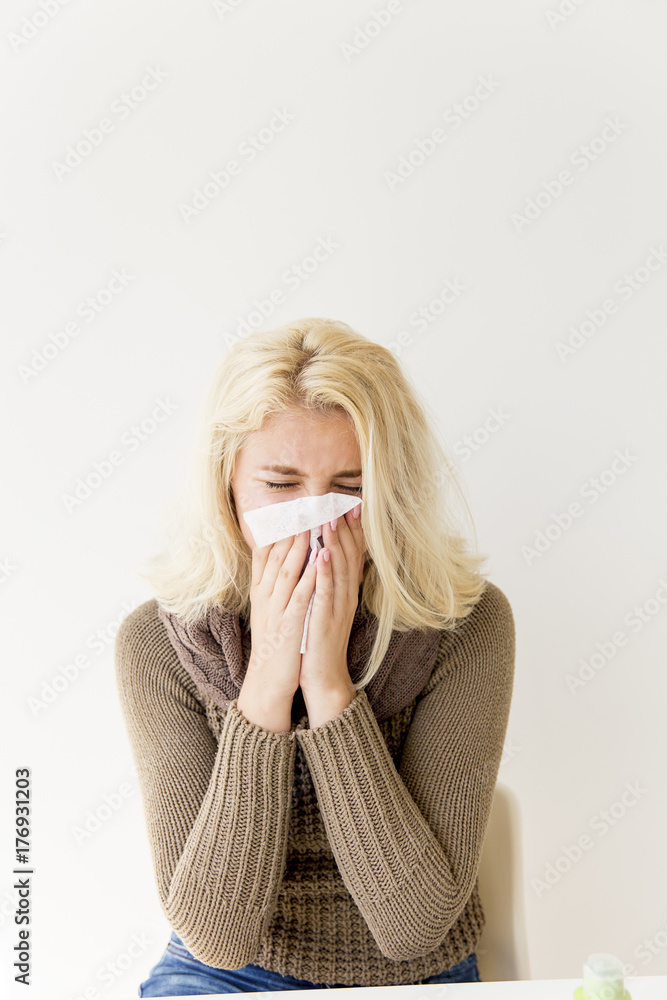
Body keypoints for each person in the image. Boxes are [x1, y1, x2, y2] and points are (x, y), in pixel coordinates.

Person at [114, 316, 515, 995]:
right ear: (226, 487)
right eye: (279, 483)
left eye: (350, 487)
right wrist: (269, 681)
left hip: (419, 973)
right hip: (227, 973)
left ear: (392, 488)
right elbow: (216, 933)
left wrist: (329, 687)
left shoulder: (467, 625)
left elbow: (412, 927)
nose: (315, 518)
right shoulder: (158, 644)